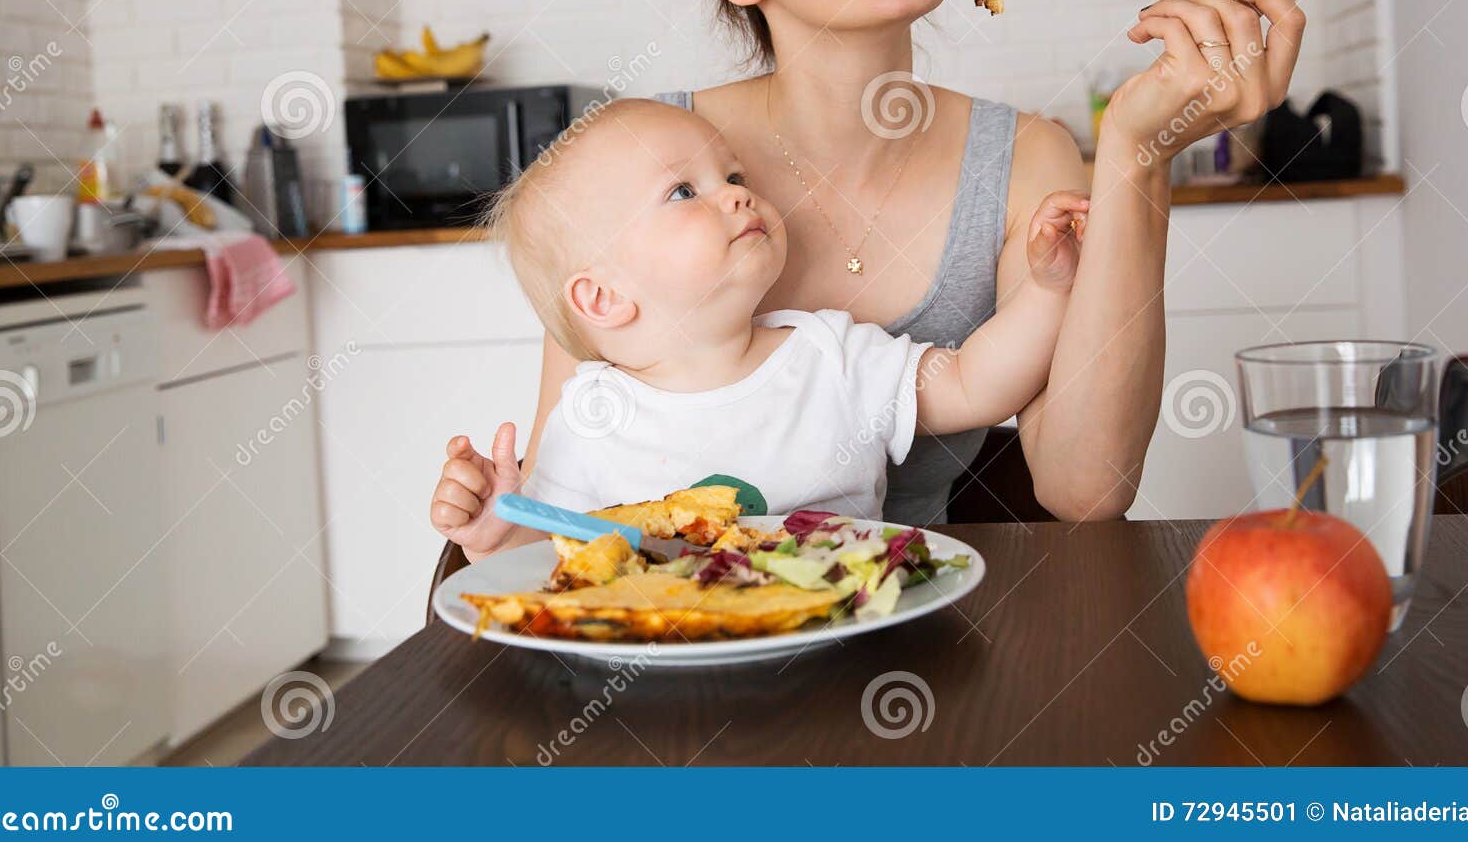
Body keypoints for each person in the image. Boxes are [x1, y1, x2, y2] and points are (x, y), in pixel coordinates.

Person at [432, 0, 1305, 540]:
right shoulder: (632, 159)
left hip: (896, 630)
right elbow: (552, 509)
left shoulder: (1027, 158)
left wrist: (1138, 157)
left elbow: (1085, 489)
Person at [432, 98, 1088, 559]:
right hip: (661, 675)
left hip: (848, 647)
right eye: (684, 191)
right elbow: (550, 555)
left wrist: (1050, 287)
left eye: (734, 175)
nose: (737, 193)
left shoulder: (831, 353)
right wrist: (496, 533)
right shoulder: (590, 416)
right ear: (603, 296)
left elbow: (978, 383)